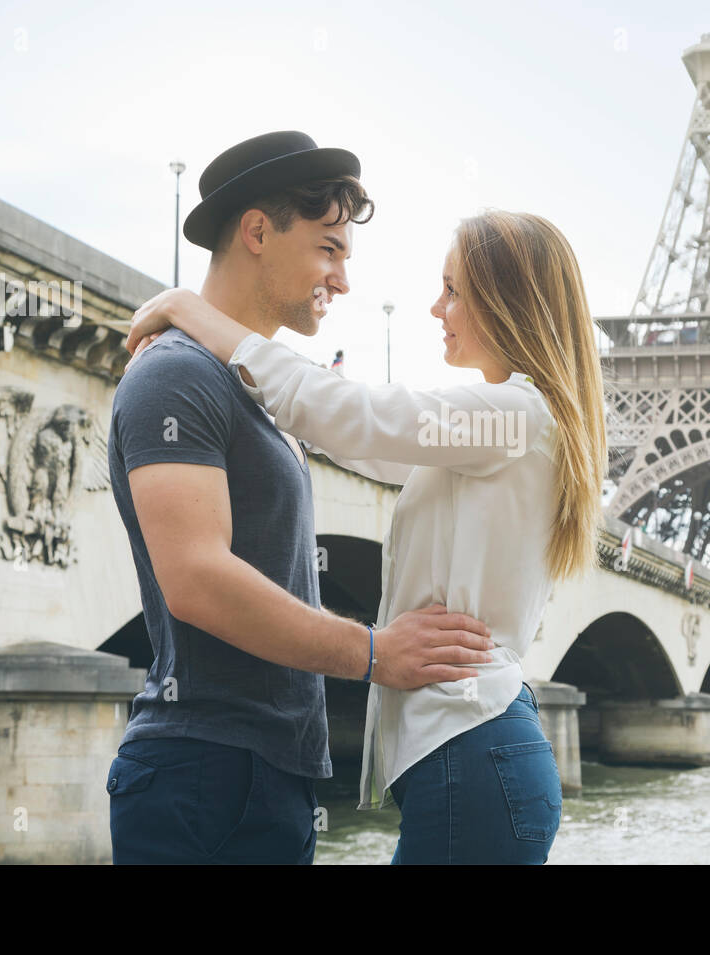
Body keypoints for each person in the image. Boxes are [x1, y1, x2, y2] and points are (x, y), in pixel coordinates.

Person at [127, 209, 607, 864]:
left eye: (454, 289)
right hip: (480, 751)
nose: (437, 307)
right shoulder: (518, 424)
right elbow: (367, 444)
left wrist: (194, 309)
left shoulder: (511, 417)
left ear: (507, 300)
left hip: (471, 751)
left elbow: (349, 416)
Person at [104, 131, 496, 865]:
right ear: (256, 231)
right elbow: (195, 580)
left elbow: (374, 431)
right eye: (329, 249)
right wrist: (375, 653)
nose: (343, 280)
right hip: (204, 771)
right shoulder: (175, 376)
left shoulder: (257, 393)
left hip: (262, 773)